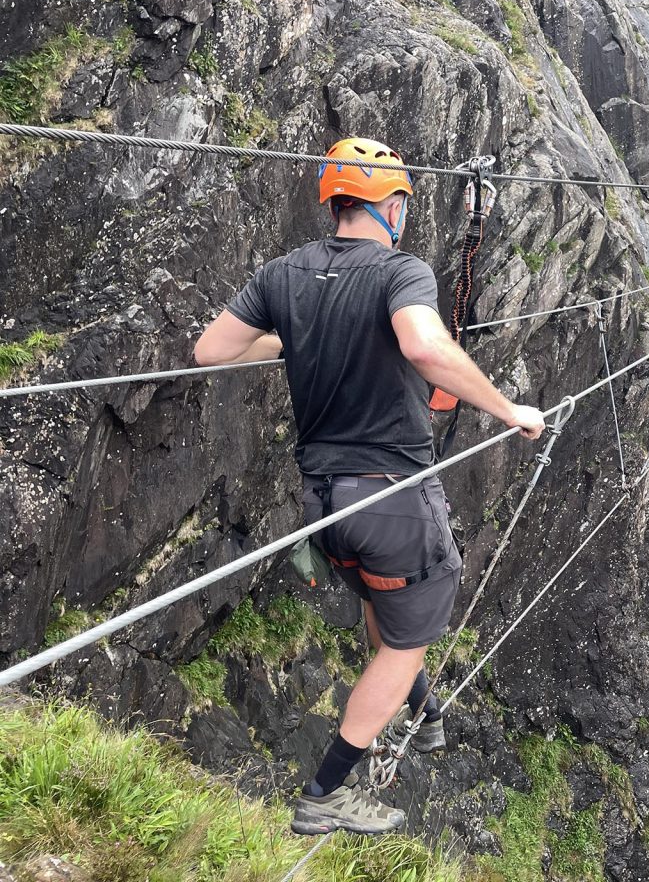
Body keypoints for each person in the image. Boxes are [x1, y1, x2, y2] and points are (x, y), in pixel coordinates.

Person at [193, 137, 546, 836]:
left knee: (379, 589)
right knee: (412, 626)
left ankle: (421, 707)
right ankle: (328, 790)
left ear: (334, 203)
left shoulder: (283, 273)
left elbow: (212, 351)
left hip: (322, 506)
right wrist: (509, 410)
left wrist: (302, 335)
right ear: (391, 207)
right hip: (389, 497)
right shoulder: (399, 270)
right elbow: (421, 345)